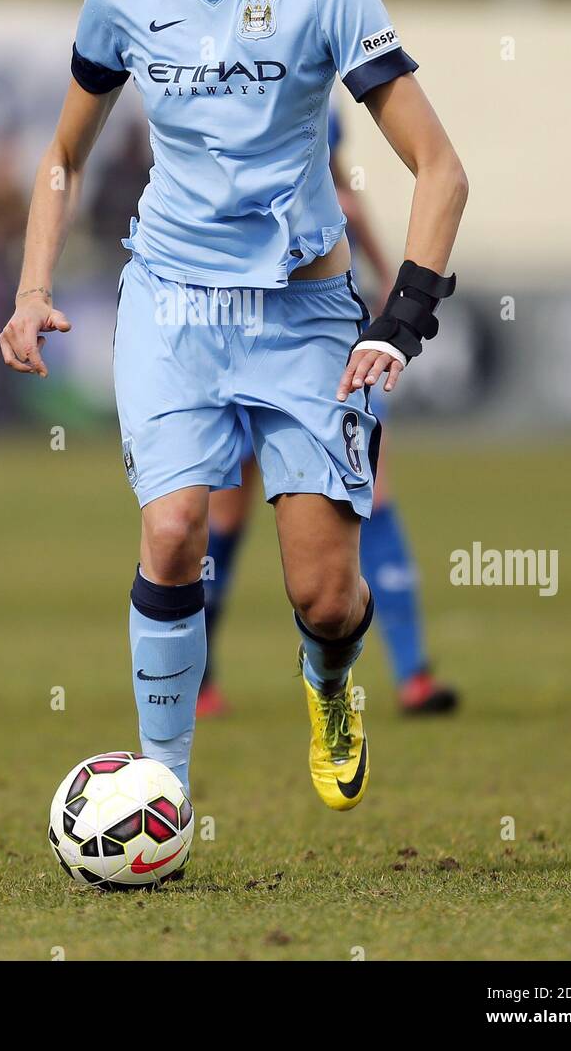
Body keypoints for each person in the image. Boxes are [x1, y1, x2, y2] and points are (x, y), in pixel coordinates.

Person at [0, 0, 468, 814]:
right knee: (171, 531)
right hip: (170, 304)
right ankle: (160, 788)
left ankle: (330, 683)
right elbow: (63, 159)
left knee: (324, 594)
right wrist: (32, 288)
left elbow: (439, 168)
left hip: (302, 318)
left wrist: (402, 319)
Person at [198, 105, 460, 720]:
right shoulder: (209, 79)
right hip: (234, 326)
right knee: (223, 508)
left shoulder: (301, 72)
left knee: (369, 486)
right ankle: (202, 677)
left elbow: (343, 191)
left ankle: (411, 672)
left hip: (315, 324)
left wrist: (395, 290)